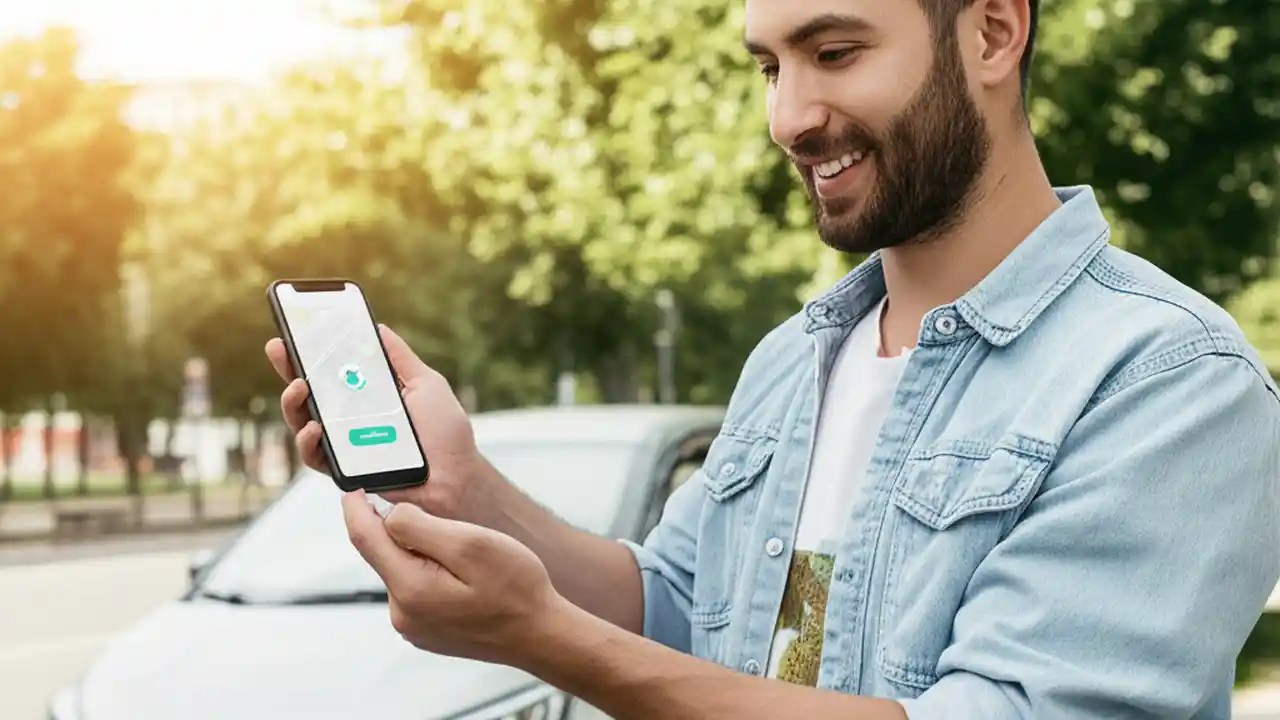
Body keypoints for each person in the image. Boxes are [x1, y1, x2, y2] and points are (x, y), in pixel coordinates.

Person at [265, 0, 1280, 717]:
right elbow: (670, 612)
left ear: (991, 30)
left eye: (833, 52)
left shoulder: (1166, 381)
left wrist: (541, 640)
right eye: (767, 66)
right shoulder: (796, 364)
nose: (788, 117)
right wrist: (468, 488)